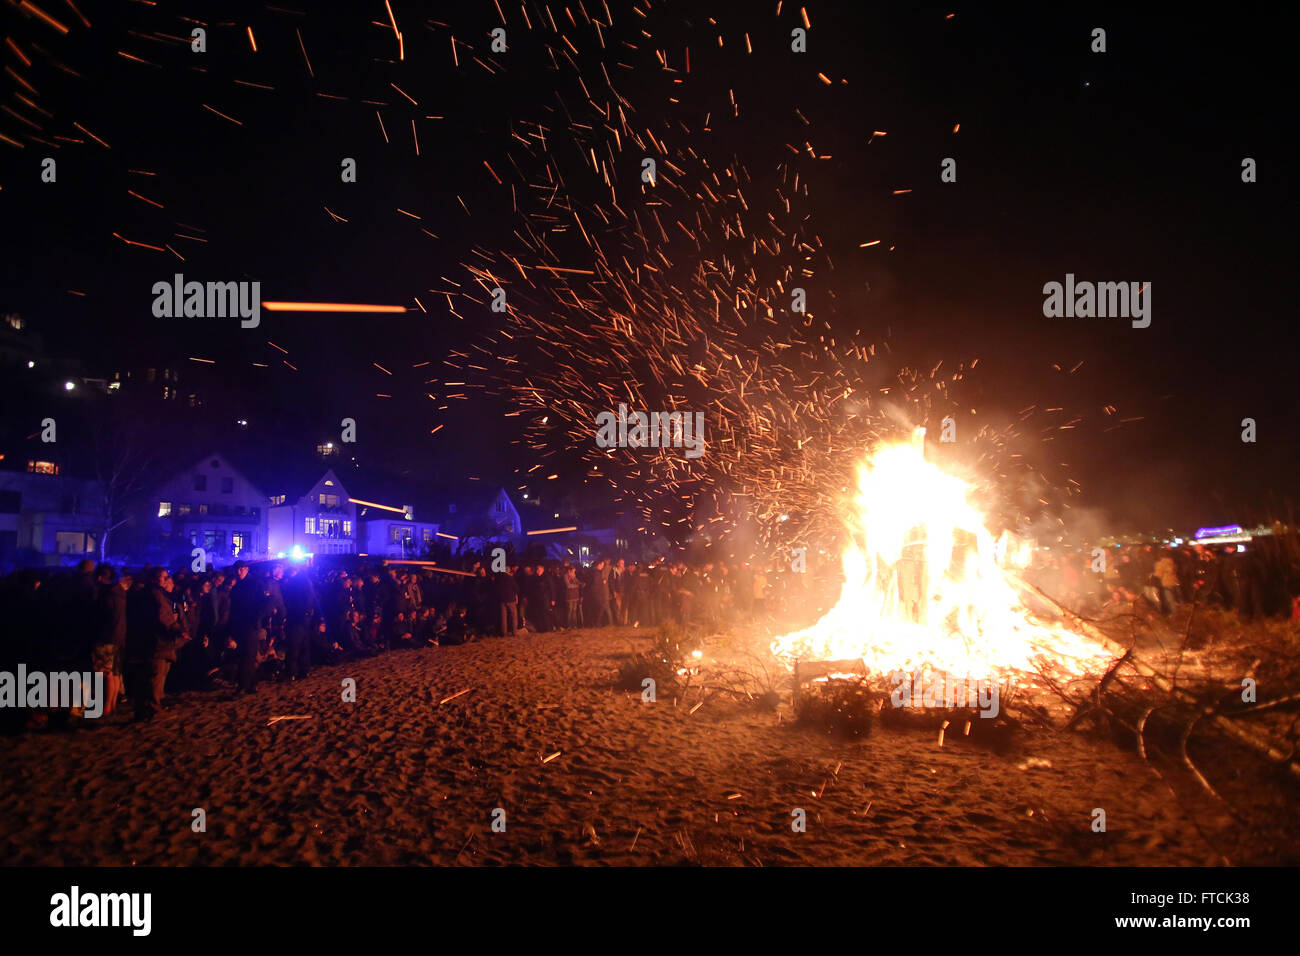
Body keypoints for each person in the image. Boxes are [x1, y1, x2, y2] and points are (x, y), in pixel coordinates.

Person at [228, 561, 273, 696]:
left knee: (247, 656)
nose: (239, 571)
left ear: (246, 569)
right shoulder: (237, 587)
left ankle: (243, 686)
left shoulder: (255, 583)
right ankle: (251, 684)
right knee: (247, 655)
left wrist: (257, 618)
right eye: (237, 569)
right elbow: (234, 609)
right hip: (241, 624)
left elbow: (267, 602)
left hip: (250, 625)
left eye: (241, 569)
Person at [92, 568, 131, 718]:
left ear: (101, 578)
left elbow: (102, 616)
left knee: (107, 674)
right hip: (119, 637)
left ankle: (107, 706)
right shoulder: (120, 594)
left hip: (107, 638)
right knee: (114, 674)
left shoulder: (106, 595)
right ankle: (112, 704)